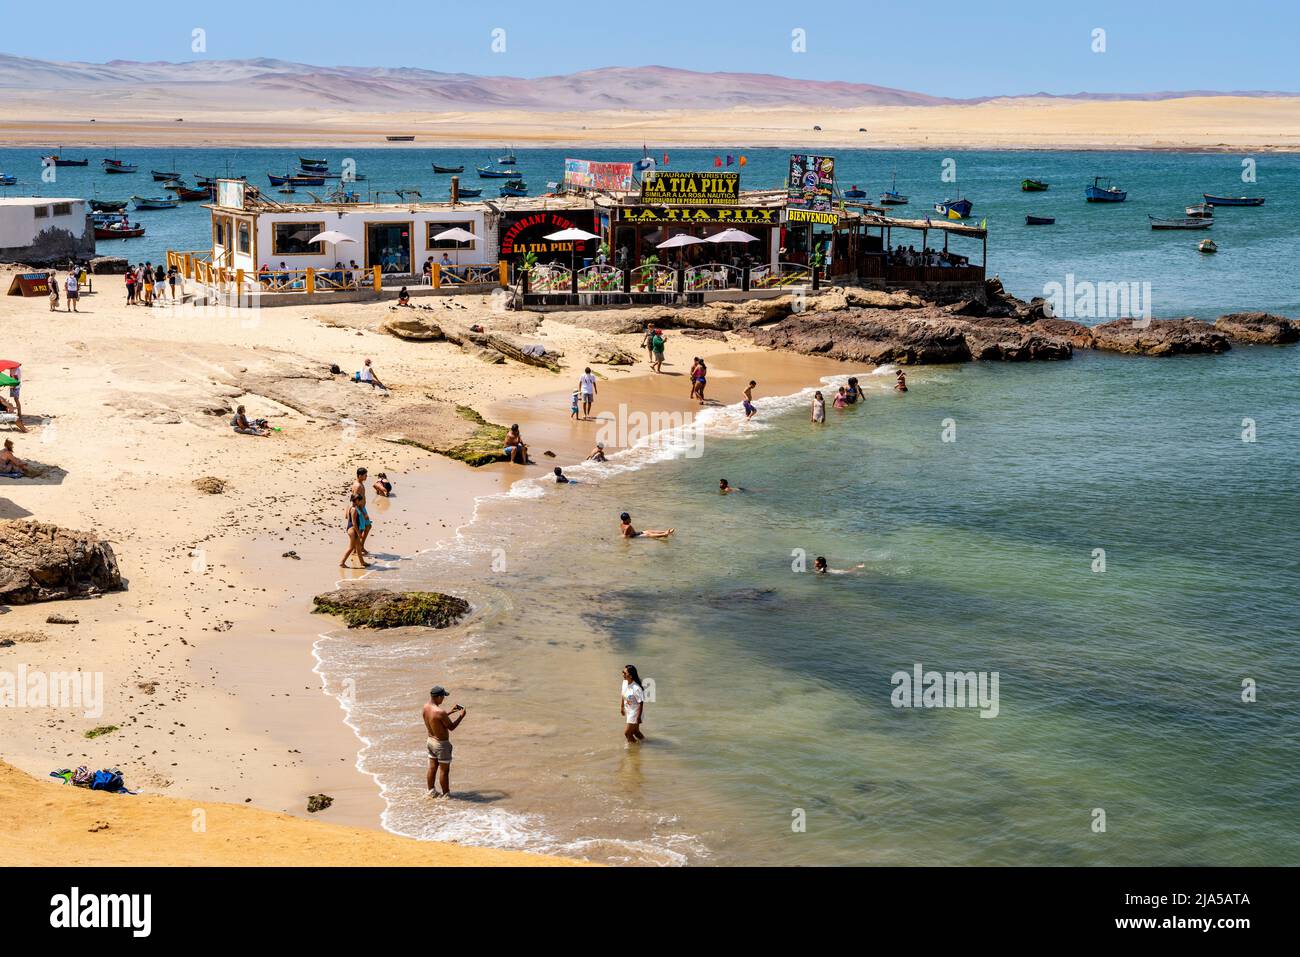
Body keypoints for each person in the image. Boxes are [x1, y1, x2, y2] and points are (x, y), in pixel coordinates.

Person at [422, 685, 465, 797]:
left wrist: (450, 712)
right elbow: (451, 727)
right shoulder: (440, 712)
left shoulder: (426, 707)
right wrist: (461, 716)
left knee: (432, 767)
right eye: (443, 697)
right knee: (444, 772)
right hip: (441, 745)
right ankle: (446, 795)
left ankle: (431, 791)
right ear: (439, 697)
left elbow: (435, 719)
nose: (444, 699)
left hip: (430, 741)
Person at [339, 492, 369, 568]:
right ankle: (342, 562)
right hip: (353, 529)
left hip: (350, 528)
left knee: (358, 546)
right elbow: (354, 523)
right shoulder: (354, 509)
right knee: (351, 547)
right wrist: (359, 533)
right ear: (356, 501)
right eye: (360, 501)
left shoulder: (349, 506)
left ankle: (362, 562)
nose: (361, 502)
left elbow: (346, 517)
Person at [620, 665, 646, 744]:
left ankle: (635, 749)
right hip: (629, 710)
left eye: (625, 673)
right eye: (623, 672)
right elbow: (623, 694)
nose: (623, 674)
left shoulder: (636, 688)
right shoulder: (625, 682)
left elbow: (641, 703)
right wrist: (621, 707)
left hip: (635, 713)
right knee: (636, 732)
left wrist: (638, 717)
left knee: (627, 733)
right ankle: (646, 743)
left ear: (630, 676)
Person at [350, 467, 373, 555]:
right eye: (365, 475)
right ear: (359, 476)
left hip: (362, 508)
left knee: (367, 527)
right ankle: (358, 548)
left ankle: (360, 547)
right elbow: (355, 501)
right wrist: (363, 513)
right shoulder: (358, 486)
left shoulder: (359, 483)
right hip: (360, 509)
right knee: (363, 528)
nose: (366, 477)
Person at [6, 363, 25, 433]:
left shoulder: (16, 369)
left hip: (16, 386)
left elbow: (16, 378)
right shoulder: (12, 369)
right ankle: (18, 413)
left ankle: (19, 413)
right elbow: (11, 377)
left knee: (16, 400)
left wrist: (13, 386)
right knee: (15, 400)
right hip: (13, 386)